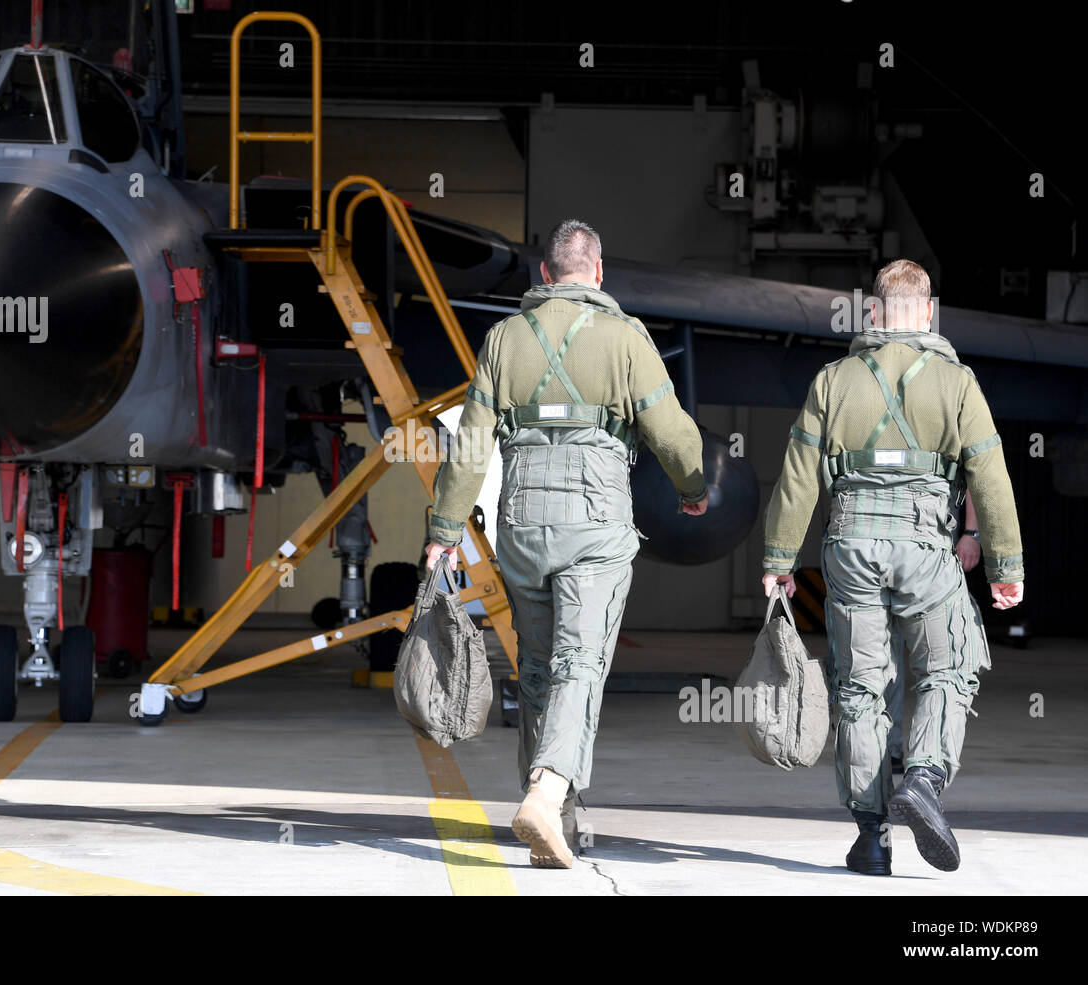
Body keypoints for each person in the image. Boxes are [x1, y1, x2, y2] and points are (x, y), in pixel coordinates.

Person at [423, 219, 707, 868]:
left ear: (545, 275)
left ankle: (561, 817)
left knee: (542, 668)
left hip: (522, 524)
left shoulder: (504, 339)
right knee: (581, 663)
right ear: (598, 272)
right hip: (595, 526)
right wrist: (692, 486)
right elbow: (671, 431)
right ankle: (549, 792)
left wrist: (444, 530)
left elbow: (469, 447)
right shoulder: (626, 339)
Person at [761, 259, 1024, 875]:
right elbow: (990, 476)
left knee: (860, 689)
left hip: (850, 544)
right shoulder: (957, 383)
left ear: (873, 313)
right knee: (947, 670)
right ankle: (926, 777)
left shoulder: (833, 380)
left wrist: (779, 558)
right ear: (928, 313)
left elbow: (799, 476)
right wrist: (1005, 565)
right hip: (926, 548)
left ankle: (870, 837)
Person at [885, 492, 982, 772]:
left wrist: (972, 533)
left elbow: (978, 476)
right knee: (886, 657)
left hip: (933, 544)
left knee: (940, 662)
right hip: (892, 545)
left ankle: (921, 764)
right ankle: (905, 758)